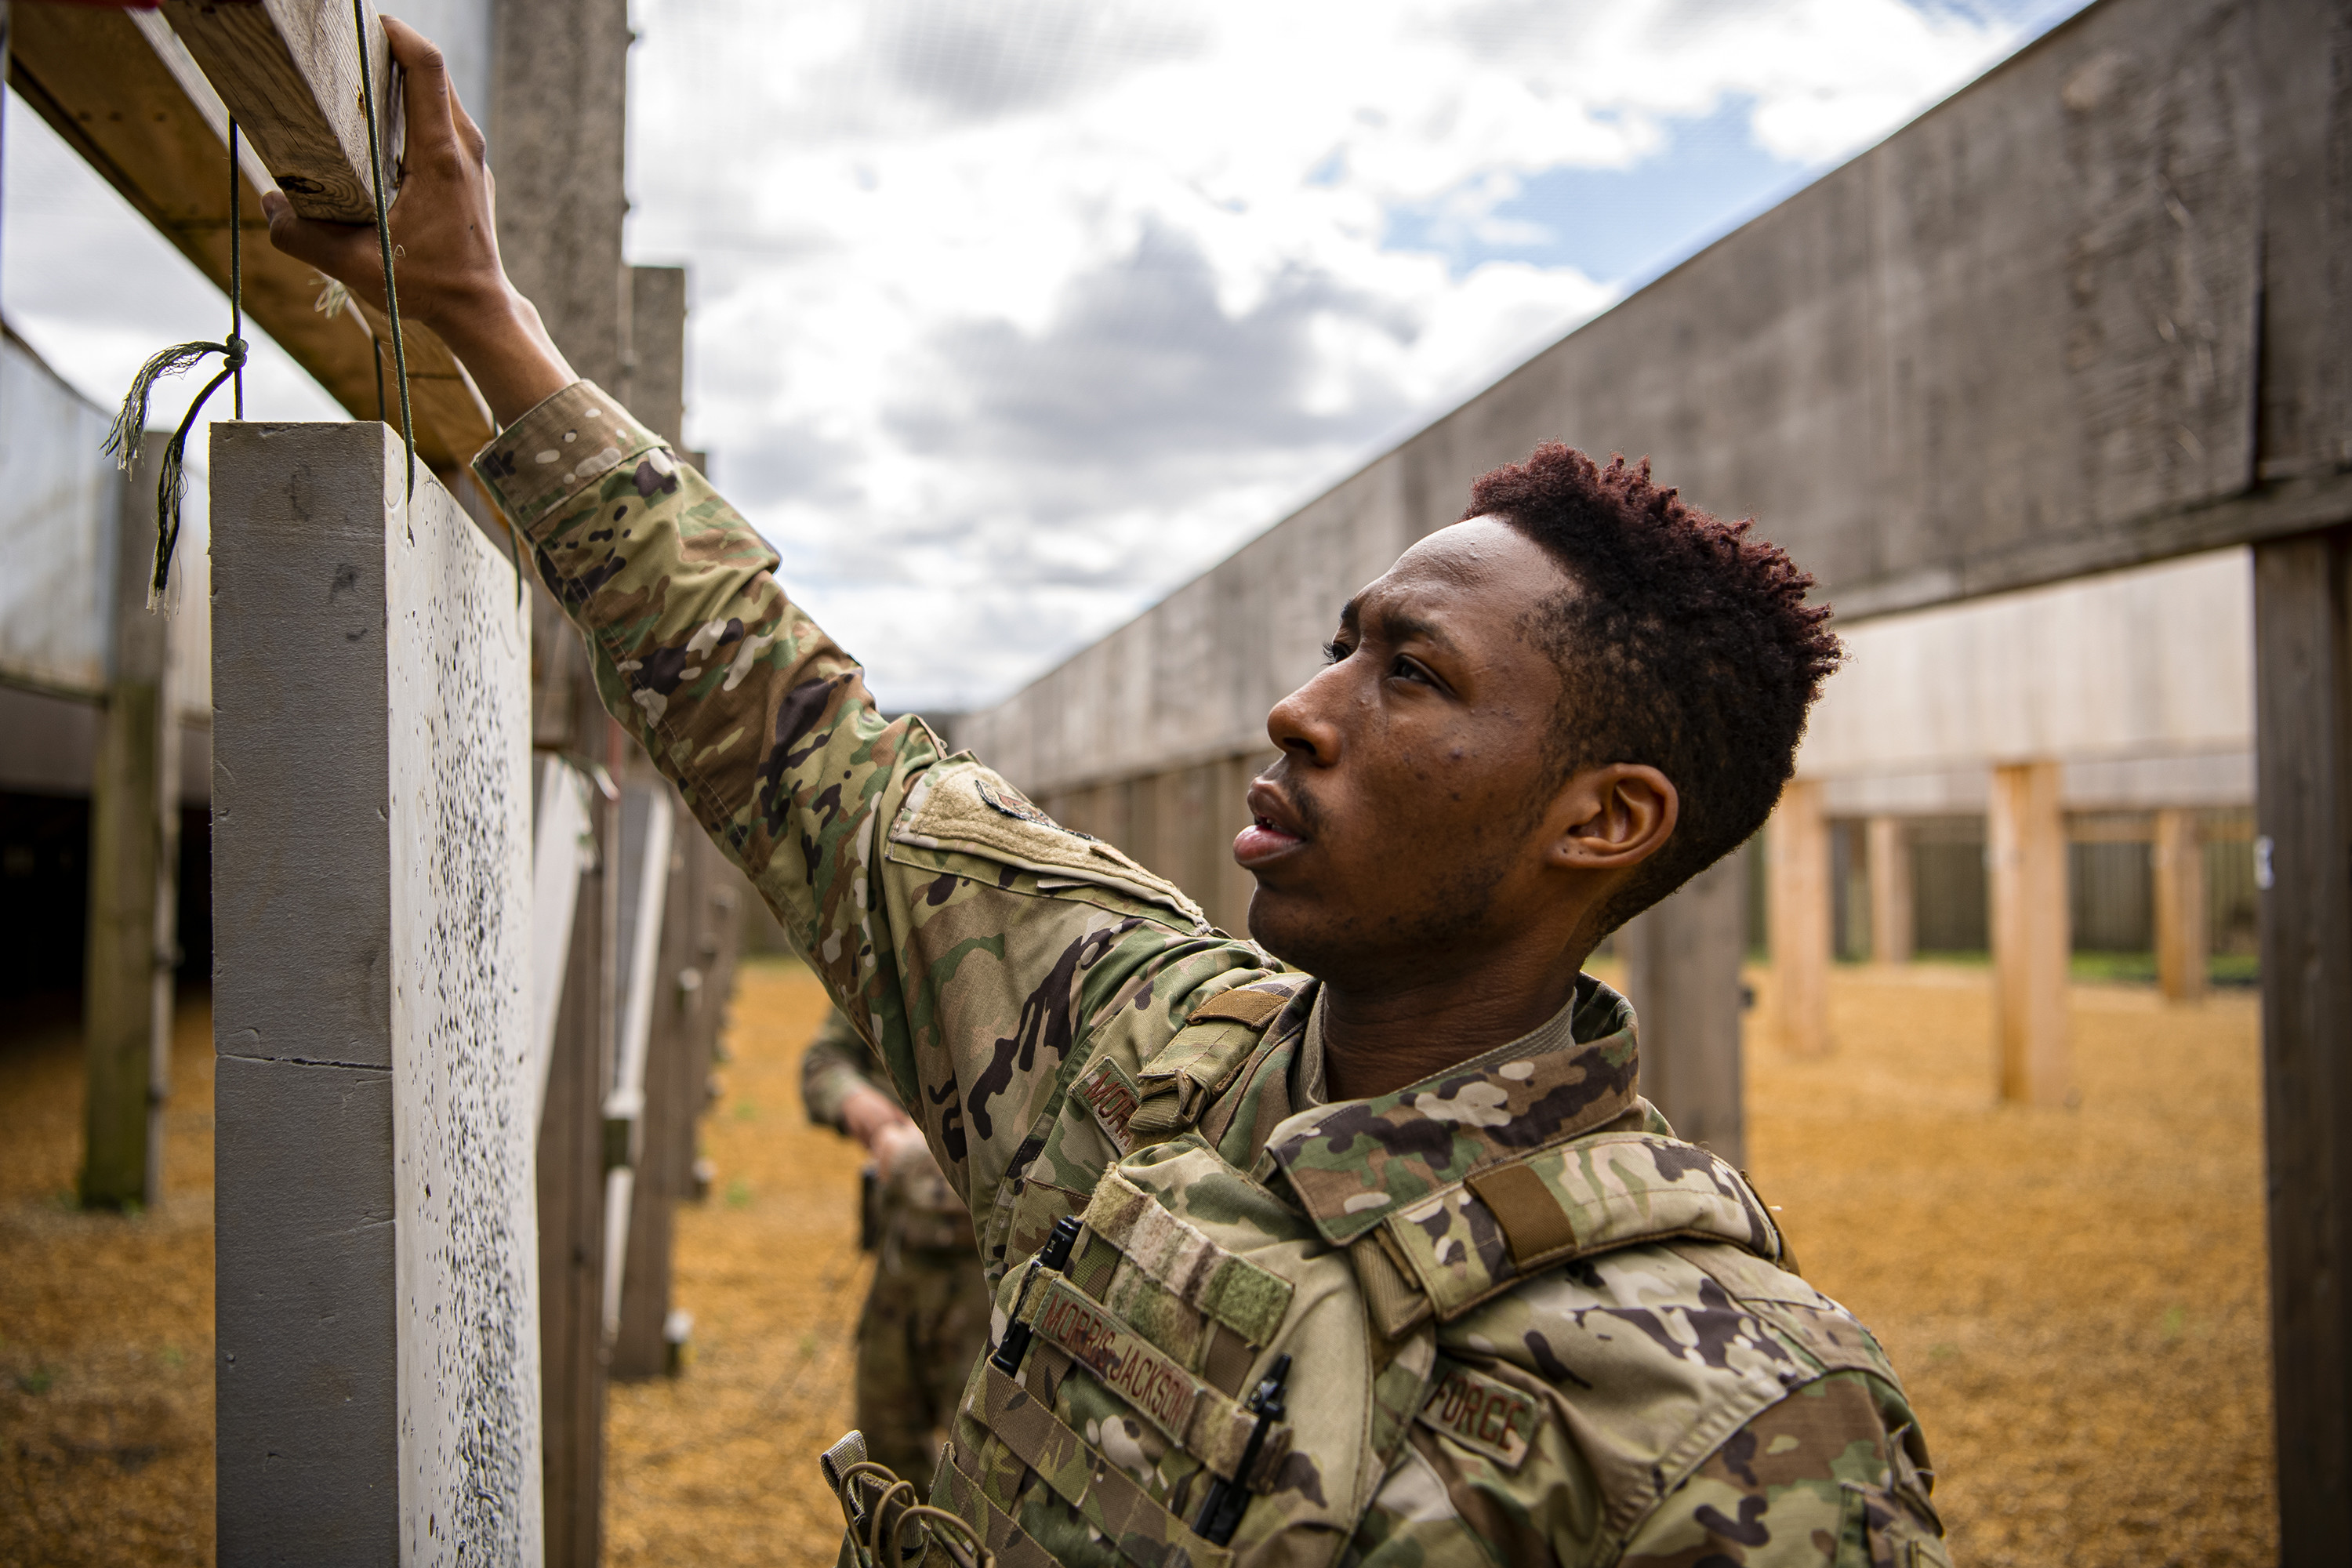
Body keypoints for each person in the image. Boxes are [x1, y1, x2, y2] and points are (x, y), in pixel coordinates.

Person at [270, 22, 1950, 1566]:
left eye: (1411, 674)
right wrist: (491, 321)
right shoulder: (1137, 1045)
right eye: (1338, 646)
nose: (1303, 709)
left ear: (1605, 820)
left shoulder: (1746, 1417)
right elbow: (820, 753)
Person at [803, 1006, 993, 1493]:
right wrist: (860, 1108)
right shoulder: (898, 951)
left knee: (987, 1473)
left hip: (994, 1276)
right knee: (881, 1465)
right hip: (901, 1258)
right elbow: (824, 1062)